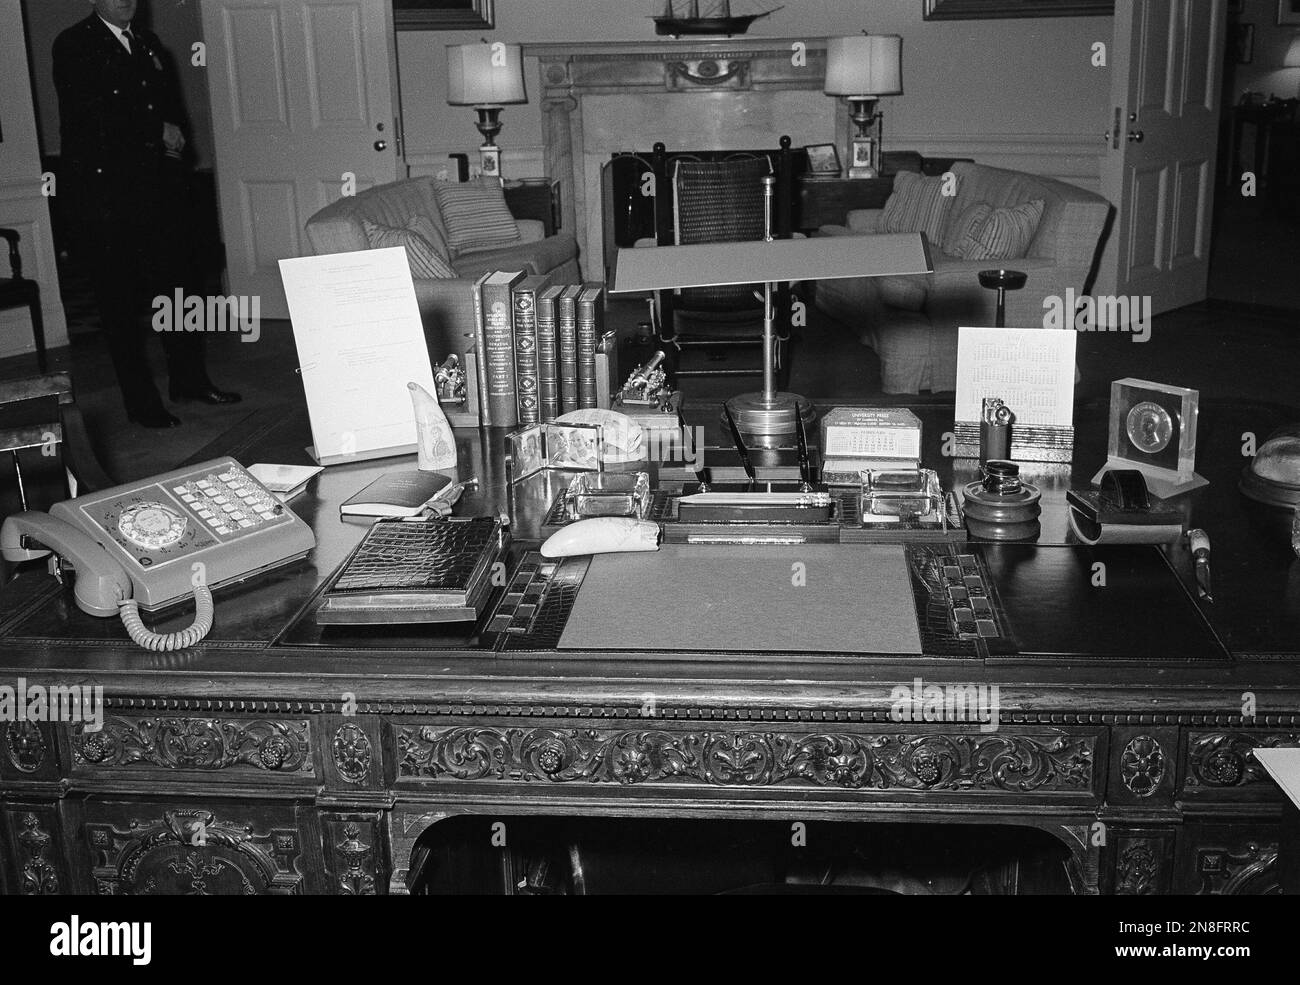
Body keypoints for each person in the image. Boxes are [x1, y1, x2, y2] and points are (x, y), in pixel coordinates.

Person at [54, 0, 240, 428]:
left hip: (159, 192)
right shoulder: (75, 45)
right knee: (120, 306)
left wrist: (175, 143)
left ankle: (190, 381)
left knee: (180, 292)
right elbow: (89, 115)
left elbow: (169, 107)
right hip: (107, 200)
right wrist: (153, 130)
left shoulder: (149, 42)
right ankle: (142, 404)